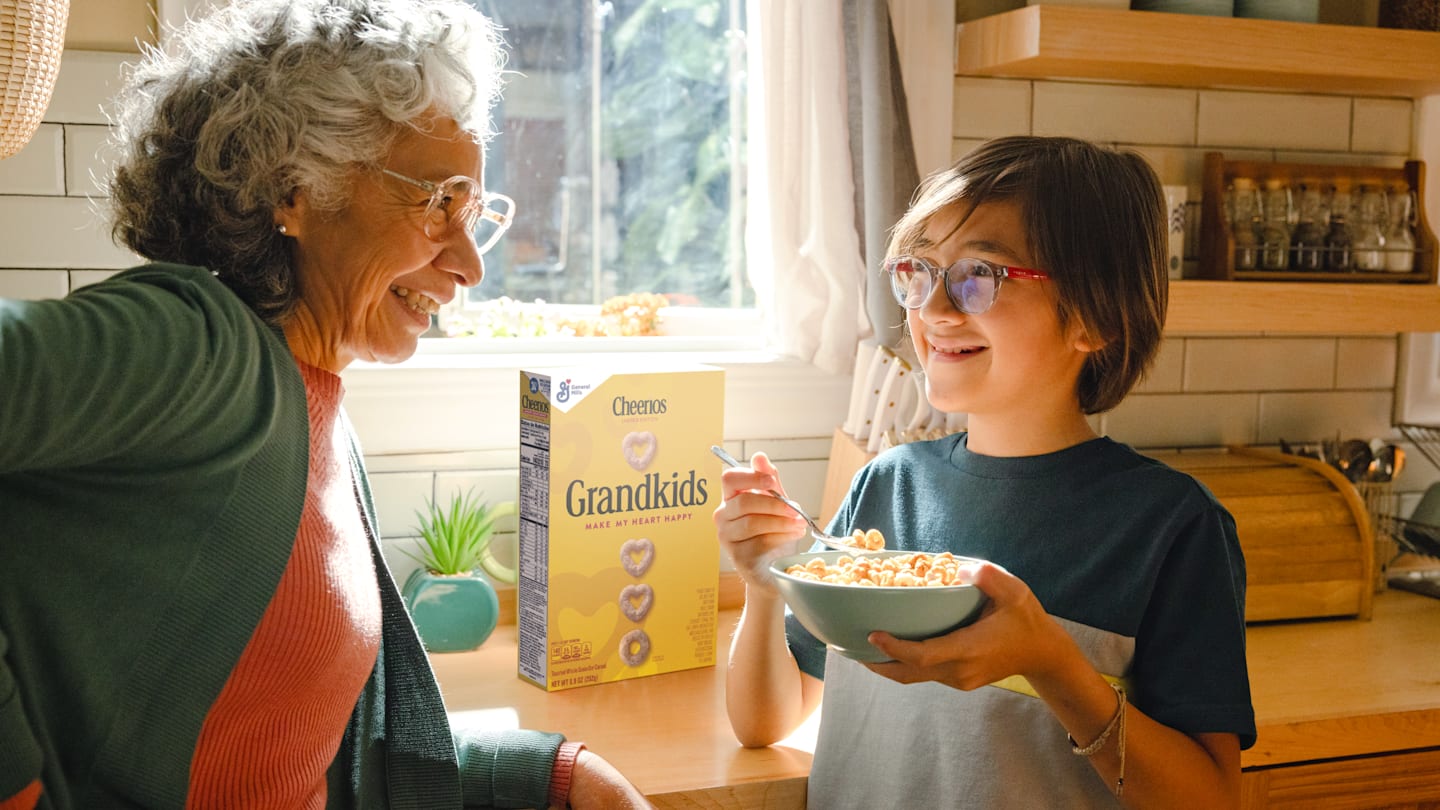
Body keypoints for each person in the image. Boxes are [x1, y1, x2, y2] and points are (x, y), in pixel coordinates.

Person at [0, 1, 651, 808]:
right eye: (440, 201)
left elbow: (329, 761)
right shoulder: (194, 348)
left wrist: (555, 773)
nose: (468, 264)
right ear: (293, 190)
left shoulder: (323, 418)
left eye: (475, 211)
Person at [713, 136, 1256, 807]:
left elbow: (1208, 799)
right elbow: (766, 720)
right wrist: (768, 585)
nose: (932, 309)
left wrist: (1051, 661)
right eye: (919, 272)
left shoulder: (1170, 527)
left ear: (1095, 317)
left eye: (978, 275)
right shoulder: (887, 486)